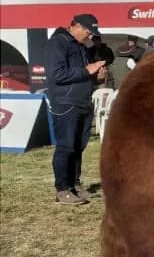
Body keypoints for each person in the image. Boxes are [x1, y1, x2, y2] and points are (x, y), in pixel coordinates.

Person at [44, 13, 108, 205]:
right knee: (66, 146)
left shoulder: (80, 46)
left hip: (82, 101)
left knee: (78, 147)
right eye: (88, 32)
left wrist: (94, 77)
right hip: (65, 103)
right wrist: (87, 70)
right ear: (76, 26)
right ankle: (62, 189)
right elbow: (56, 74)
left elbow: (80, 74)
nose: (90, 37)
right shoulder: (58, 43)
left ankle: (74, 185)